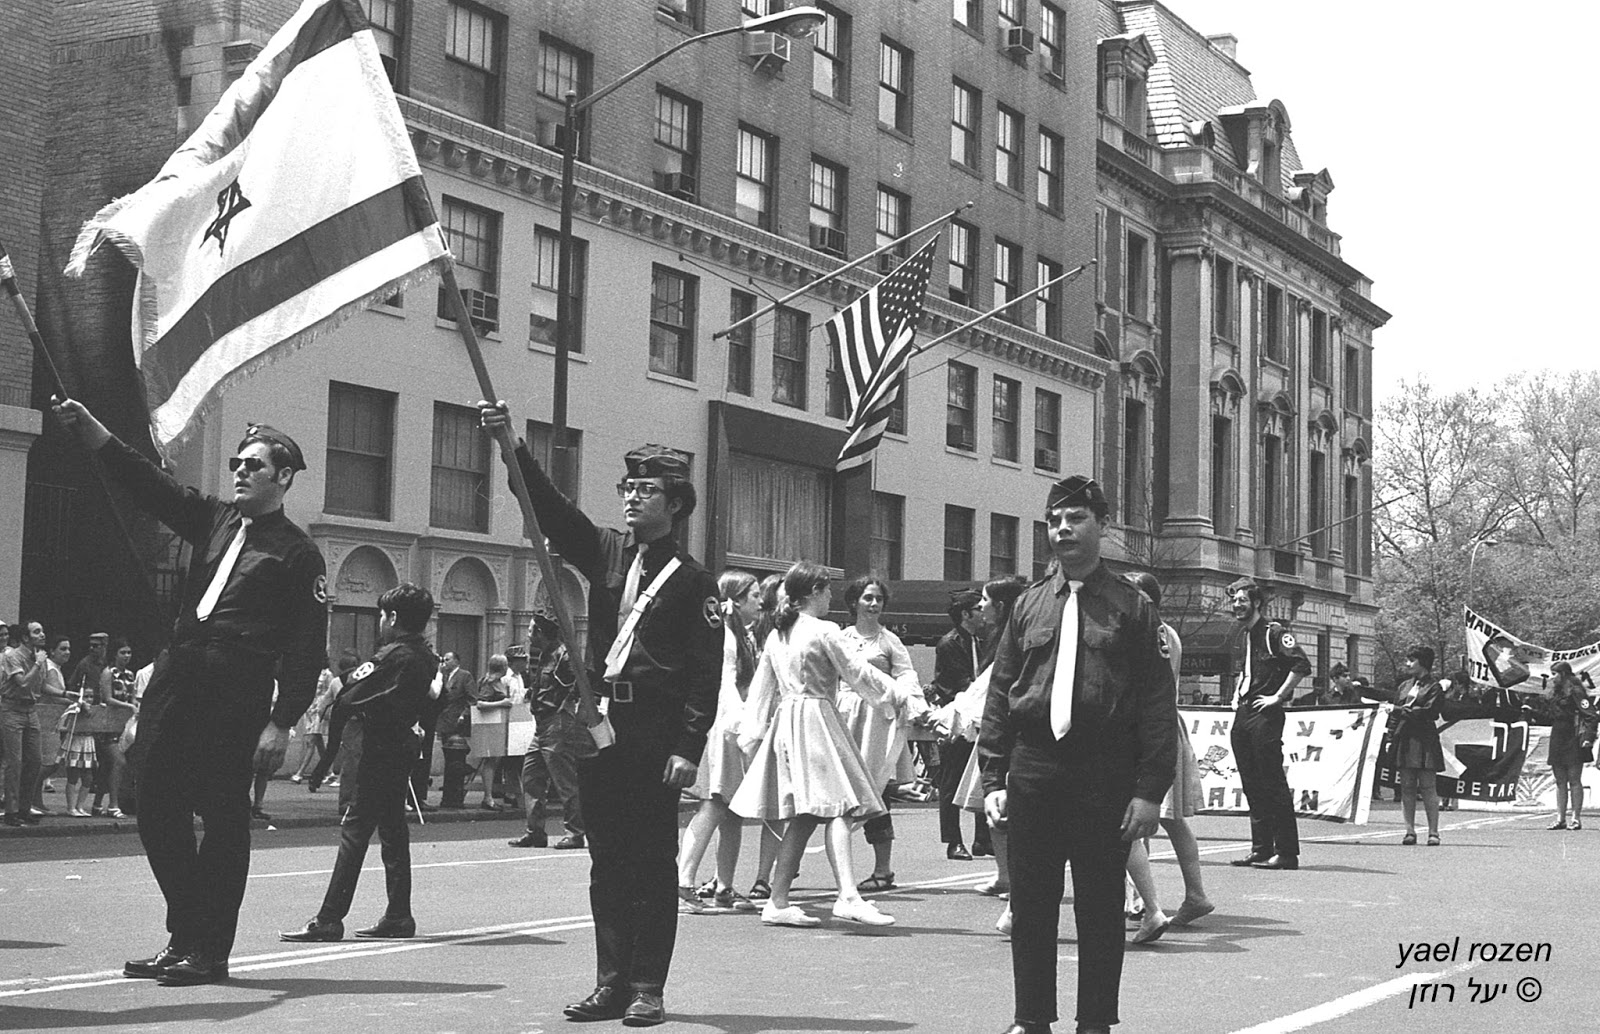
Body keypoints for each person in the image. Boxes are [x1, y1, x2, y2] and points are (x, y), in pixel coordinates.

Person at [54, 398, 328, 987]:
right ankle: (187, 930)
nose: (240, 471)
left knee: (223, 815)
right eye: (237, 462)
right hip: (180, 675)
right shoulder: (213, 519)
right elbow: (150, 486)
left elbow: (306, 650)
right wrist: (95, 428)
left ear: (283, 477)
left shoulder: (299, 554)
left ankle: (206, 949)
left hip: (237, 687)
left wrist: (281, 721)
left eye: (254, 465)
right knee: (150, 797)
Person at [480, 401, 721, 1028]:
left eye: (647, 490)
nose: (632, 499)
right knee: (607, 861)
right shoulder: (609, 556)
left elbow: (705, 674)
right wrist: (513, 446)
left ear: (676, 504)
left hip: (654, 736)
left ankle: (648, 986)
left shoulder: (696, 583)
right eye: (628, 488)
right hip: (598, 730)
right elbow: (552, 514)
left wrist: (687, 748)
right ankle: (610, 981)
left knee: (650, 863)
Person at [979, 476, 1178, 1034]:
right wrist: (994, 776)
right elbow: (1001, 693)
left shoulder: (1132, 608)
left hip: (1102, 772)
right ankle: (1031, 1019)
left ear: (1102, 526)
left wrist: (1148, 791)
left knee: (1099, 908)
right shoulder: (1027, 606)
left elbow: (1158, 706)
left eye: (1076, 519)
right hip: (1035, 769)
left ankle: (1095, 1022)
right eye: (1054, 521)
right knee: (1033, 906)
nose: (1063, 529)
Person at [731, 562, 914, 929]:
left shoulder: (778, 633)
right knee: (841, 805)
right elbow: (858, 673)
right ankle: (847, 896)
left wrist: (749, 736)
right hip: (816, 722)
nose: (831, 595)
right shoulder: (824, 630)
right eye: (827, 589)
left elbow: (762, 693)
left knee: (806, 815)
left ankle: (778, 900)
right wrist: (898, 696)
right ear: (814, 591)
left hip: (789, 723)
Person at [281, 584, 439, 942]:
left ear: (394, 618)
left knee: (355, 831)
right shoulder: (426, 657)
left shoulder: (393, 656)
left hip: (378, 748)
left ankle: (329, 918)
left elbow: (349, 693)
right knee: (394, 833)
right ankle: (398, 914)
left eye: (383, 615)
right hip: (401, 749)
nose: (380, 622)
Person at [1120, 572, 1213, 944]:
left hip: (1143, 730)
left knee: (1129, 815)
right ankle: (1195, 892)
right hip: (1167, 726)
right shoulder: (1168, 633)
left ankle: (1142, 899)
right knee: (1172, 818)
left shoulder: (1142, 631)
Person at [941, 576, 1029, 933]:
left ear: (1003, 607)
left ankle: (1141, 900)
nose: (982, 608)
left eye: (987, 602)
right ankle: (1005, 877)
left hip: (1013, 737)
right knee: (994, 810)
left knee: (1021, 818)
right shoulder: (992, 639)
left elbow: (988, 691)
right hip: (994, 733)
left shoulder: (1013, 639)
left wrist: (944, 718)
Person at [676, 570, 763, 911]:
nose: (759, 602)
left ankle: (724, 886)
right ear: (737, 599)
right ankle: (683, 883)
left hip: (732, 724)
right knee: (714, 803)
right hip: (724, 725)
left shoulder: (741, 634)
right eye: (754, 595)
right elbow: (723, 685)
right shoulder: (724, 636)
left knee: (732, 812)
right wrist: (742, 725)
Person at [836, 575, 927, 895]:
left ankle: (882, 869)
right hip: (843, 716)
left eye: (878, 599)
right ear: (854, 603)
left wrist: (916, 707)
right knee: (830, 789)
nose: (873, 604)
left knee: (876, 792)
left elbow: (906, 676)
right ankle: (789, 865)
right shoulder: (840, 637)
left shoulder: (889, 641)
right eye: (867, 598)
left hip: (876, 722)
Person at [1225, 576, 1310, 871]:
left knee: (1272, 782)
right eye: (1234, 600)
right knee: (1251, 783)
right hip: (1244, 713)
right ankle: (1261, 848)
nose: (1237, 605)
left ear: (1257, 603)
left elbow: (1301, 664)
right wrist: (1237, 697)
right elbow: (1247, 671)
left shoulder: (1274, 632)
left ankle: (1286, 852)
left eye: (1243, 600)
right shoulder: (1242, 634)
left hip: (1265, 715)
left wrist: (1278, 697)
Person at [509, 613, 594, 850]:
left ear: (540, 633)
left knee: (564, 781)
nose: (527, 634)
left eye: (531, 630)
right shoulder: (545, 654)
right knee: (531, 777)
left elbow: (581, 682)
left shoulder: (563, 655)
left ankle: (575, 833)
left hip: (557, 724)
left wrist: (566, 707)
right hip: (541, 725)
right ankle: (535, 832)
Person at [1360, 646, 1446, 844]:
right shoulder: (1404, 686)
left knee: (1427, 786)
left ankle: (1433, 832)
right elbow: (1393, 715)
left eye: (1411, 660)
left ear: (1422, 663)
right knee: (1406, 786)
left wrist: (1399, 710)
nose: (1407, 664)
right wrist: (1390, 738)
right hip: (1404, 737)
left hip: (1424, 738)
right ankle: (1410, 831)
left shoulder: (1434, 687)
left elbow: (1430, 712)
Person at [933, 589, 991, 860]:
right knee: (951, 781)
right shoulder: (950, 643)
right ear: (966, 614)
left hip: (979, 718)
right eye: (978, 608)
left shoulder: (981, 642)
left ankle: (983, 839)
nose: (983, 612)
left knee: (980, 777)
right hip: (959, 720)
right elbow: (961, 685)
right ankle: (953, 841)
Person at [2, 619, 49, 827]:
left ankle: (24, 807)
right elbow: (21, 684)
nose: (42, 635)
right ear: (25, 637)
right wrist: (38, 663)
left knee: (35, 760)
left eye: (41, 631)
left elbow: (42, 686)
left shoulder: (39, 657)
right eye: (36, 632)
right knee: (15, 762)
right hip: (12, 709)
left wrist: (67, 694)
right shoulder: (13, 656)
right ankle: (11, 810)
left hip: (31, 709)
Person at [415, 651, 471, 808]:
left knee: (427, 758)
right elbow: (435, 694)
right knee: (421, 759)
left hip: (438, 720)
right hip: (426, 720)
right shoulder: (433, 676)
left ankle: (422, 796)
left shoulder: (463, 675)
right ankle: (418, 797)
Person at [91, 640, 139, 818]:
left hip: (123, 727)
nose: (127, 656)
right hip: (107, 726)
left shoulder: (130, 675)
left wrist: (133, 705)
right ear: (115, 654)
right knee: (119, 762)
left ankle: (97, 804)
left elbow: (132, 696)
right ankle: (113, 804)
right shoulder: (108, 673)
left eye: (129, 652)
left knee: (108, 766)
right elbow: (107, 698)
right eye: (123, 652)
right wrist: (128, 706)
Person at [1544, 661, 1594, 830]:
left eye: (1555, 674)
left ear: (1564, 674)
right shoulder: (1555, 693)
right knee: (1559, 780)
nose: (1552, 678)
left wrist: (1588, 737)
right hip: (1557, 736)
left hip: (1572, 737)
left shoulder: (1576, 691)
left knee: (1574, 779)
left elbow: (1592, 715)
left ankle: (1576, 818)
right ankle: (1560, 818)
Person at [295, 651, 356, 786]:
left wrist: (322, 715)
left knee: (331, 749)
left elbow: (325, 702)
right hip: (353, 718)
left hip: (337, 717)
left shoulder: (335, 681)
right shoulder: (359, 681)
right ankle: (340, 777)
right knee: (349, 748)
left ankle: (316, 778)